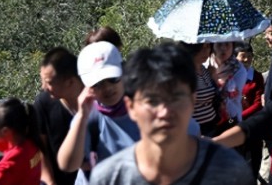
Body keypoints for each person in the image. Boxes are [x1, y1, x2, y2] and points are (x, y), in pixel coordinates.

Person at [90, 42, 254, 185]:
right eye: (152, 101)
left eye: (175, 98)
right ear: (131, 107)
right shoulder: (109, 178)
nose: (165, 112)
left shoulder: (230, 170)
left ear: (192, 100)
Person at [57, 42, 141, 177]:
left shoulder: (144, 108)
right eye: (97, 83)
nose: (107, 88)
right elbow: (68, 165)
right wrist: (81, 117)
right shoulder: (89, 117)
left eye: (112, 78)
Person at [34, 47, 84, 185]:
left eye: (49, 82)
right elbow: (39, 149)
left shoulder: (96, 101)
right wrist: (49, 181)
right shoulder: (43, 103)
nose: (44, 87)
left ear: (70, 82)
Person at [236, 43, 265, 180]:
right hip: (233, 124)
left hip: (251, 124)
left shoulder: (256, 77)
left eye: (249, 56)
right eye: (243, 56)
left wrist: (239, 116)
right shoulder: (229, 76)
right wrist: (231, 120)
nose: (246, 60)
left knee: (252, 160)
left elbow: (258, 103)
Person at [209, 42, 247, 123]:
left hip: (230, 117)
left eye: (227, 44)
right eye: (219, 44)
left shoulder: (239, 70)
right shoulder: (205, 64)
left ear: (233, 47)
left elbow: (230, 96)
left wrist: (215, 79)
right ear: (213, 46)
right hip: (207, 118)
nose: (223, 48)